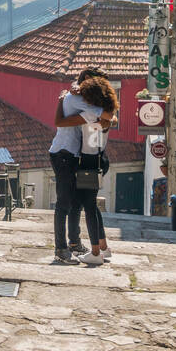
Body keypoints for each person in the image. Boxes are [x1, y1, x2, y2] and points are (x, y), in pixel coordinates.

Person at [48, 67, 109, 264]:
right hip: (64, 154)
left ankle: (73, 243)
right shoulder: (81, 100)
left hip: (70, 153)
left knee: (74, 202)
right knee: (64, 203)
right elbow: (109, 116)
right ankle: (61, 248)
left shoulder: (78, 96)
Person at [60, 76, 119, 265]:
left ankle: (95, 253)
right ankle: (103, 247)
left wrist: (65, 98)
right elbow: (112, 117)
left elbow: (60, 121)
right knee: (91, 205)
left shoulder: (91, 115)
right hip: (101, 159)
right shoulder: (106, 114)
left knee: (90, 208)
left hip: (88, 162)